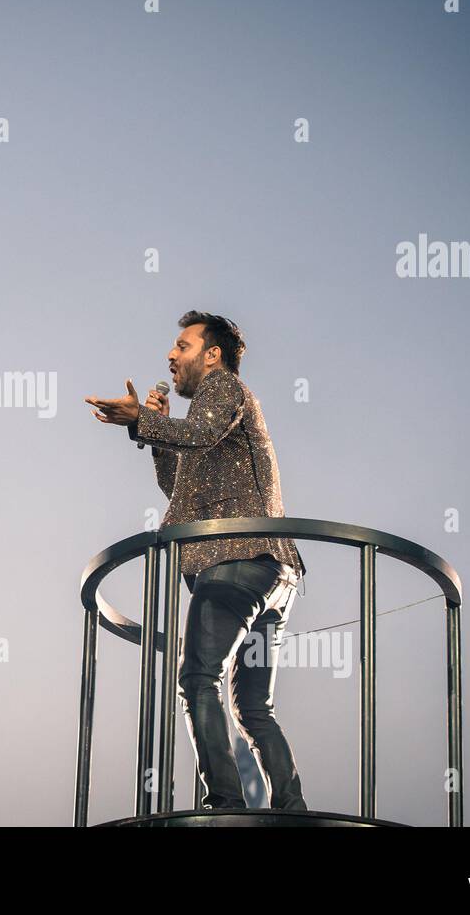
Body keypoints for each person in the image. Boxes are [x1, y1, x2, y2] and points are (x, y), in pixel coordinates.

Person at [85, 310, 308, 811]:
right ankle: (292, 810)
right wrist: (154, 432)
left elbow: (200, 437)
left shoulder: (222, 387)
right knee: (253, 706)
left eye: (181, 346)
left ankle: (226, 802)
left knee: (197, 677)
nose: (170, 355)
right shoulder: (209, 415)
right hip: (271, 570)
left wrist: (145, 420)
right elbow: (180, 489)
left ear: (212, 354)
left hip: (237, 559)